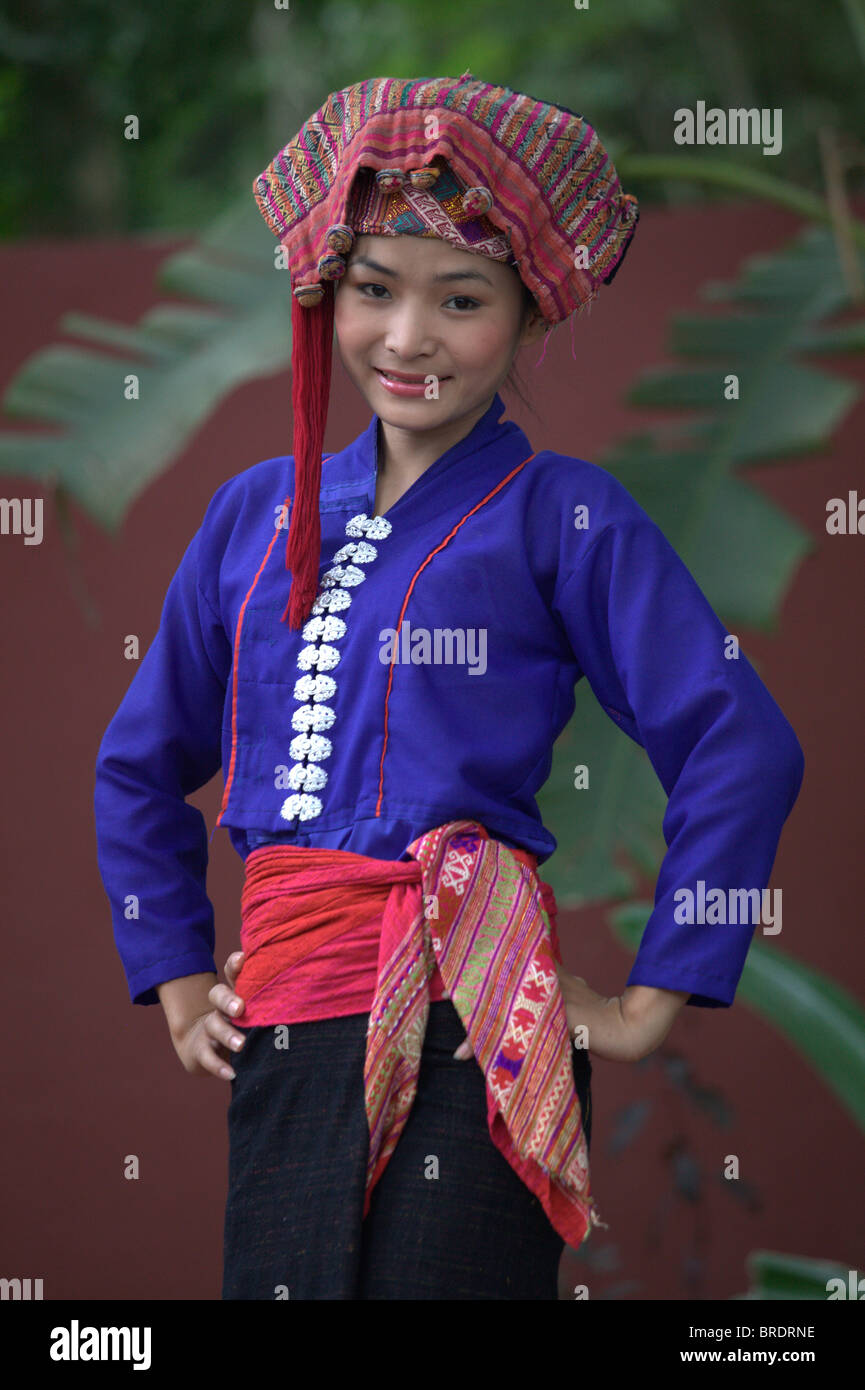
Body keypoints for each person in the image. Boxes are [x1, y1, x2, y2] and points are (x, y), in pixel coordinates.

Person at [94, 72, 804, 1301]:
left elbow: (740, 743)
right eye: (373, 289)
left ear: (528, 315)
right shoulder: (248, 516)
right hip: (284, 1032)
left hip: (475, 1032)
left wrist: (651, 997)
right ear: (330, 293)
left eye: (460, 299)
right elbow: (137, 762)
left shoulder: (564, 515)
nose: (407, 338)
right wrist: (175, 967)